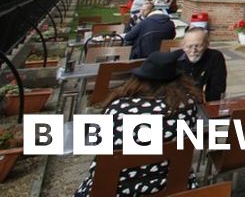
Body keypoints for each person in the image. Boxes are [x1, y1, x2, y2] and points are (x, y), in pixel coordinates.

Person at [73, 51, 201, 197]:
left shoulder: (118, 109)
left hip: (116, 189)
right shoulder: (188, 106)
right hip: (172, 186)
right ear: (179, 80)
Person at [177, 27, 227, 102]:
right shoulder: (174, 59)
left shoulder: (215, 57)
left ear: (207, 44)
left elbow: (217, 88)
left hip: (200, 100)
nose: (193, 51)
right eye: (189, 46)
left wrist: (210, 108)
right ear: (183, 46)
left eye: (198, 46)